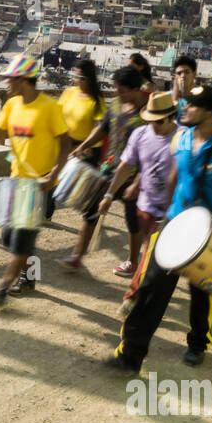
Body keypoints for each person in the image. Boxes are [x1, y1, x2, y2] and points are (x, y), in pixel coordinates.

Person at [102, 85, 212, 372]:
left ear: (209, 113)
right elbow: (174, 177)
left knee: (202, 292)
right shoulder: (181, 139)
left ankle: (198, 343)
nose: (184, 109)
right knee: (150, 289)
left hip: (211, 232)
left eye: (192, 105)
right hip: (175, 223)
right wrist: (164, 217)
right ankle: (129, 356)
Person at [0, 55, 70, 305]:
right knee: (9, 238)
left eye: (11, 79)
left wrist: (54, 174)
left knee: (20, 241)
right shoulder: (11, 105)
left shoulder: (50, 107)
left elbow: (65, 144)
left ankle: (3, 287)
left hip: (40, 184)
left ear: (24, 80)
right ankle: (31, 275)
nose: (7, 83)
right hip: (16, 181)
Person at [97, 90, 178, 317]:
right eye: (151, 120)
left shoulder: (183, 139)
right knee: (151, 256)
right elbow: (125, 166)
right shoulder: (140, 134)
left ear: (171, 117)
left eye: (159, 121)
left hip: (171, 211)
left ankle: (132, 298)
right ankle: (147, 294)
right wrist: (109, 195)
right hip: (145, 207)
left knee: (151, 255)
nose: (154, 125)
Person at [62, 66, 148, 272]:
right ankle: (77, 256)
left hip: (133, 175)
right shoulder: (117, 105)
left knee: (132, 220)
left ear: (137, 89)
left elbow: (149, 152)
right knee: (91, 210)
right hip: (109, 168)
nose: (118, 94)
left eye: (122, 90)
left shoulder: (147, 114)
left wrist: (138, 182)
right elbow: (103, 130)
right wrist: (84, 146)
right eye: (117, 89)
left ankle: (132, 261)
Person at [54, 59, 106, 268]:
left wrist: (82, 148)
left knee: (88, 204)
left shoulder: (96, 102)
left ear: (89, 79)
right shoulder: (68, 93)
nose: (76, 81)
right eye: (74, 76)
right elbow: (56, 116)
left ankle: (78, 253)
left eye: (81, 78)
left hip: (86, 152)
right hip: (64, 148)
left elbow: (98, 128)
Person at [172, 55, 198, 120]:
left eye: (187, 72)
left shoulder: (201, 97)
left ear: (194, 74)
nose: (183, 76)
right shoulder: (167, 97)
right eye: (179, 73)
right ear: (175, 76)